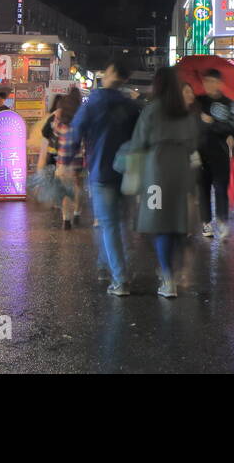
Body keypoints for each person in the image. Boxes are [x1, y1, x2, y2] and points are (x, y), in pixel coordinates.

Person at [61, 61, 141, 296]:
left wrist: (65, 163)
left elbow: (75, 133)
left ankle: (120, 278)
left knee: (109, 225)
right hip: (126, 172)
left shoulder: (93, 103)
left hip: (101, 171)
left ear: (110, 73)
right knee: (121, 223)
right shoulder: (130, 105)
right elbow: (139, 135)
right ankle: (108, 266)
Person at [133, 67, 202, 298]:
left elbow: (139, 142)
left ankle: (167, 278)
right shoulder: (184, 112)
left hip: (156, 172)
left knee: (159, 224)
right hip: (181, 170)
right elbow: (193, 145)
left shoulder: (151, 110)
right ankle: (174, 270)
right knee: (177, 222)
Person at [195, 68, 234, 239]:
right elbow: (191, 125)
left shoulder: (230, 104)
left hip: (220, 154)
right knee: (203, 189)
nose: (209, 85)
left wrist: (212, 123)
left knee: (221, 188)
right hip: (199, 153)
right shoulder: (197, 101)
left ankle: (222, 220)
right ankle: (206, 222)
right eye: (206, 81)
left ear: (220, 83)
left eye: (212, 81)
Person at [38, 88, 83, 228]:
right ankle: (76, 213)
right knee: (77, 186)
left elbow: (55, 135)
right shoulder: (82, 117)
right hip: (78, 159)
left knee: (64, 190)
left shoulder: (61, 119)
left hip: (63, 159)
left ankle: (66, 220)